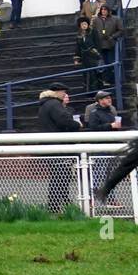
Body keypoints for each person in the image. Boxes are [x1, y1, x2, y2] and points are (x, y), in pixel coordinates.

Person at [37, 83, 80, 214]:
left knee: (59, 177)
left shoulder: (45, 105)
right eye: (63, 92)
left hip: (52, 145)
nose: (65, 95)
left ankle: (58, 205)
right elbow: (64, 122)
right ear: (57, 92)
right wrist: (77, 125)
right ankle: (54, 207)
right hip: (59, 146)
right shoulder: (54, 104)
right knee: (60, 177)